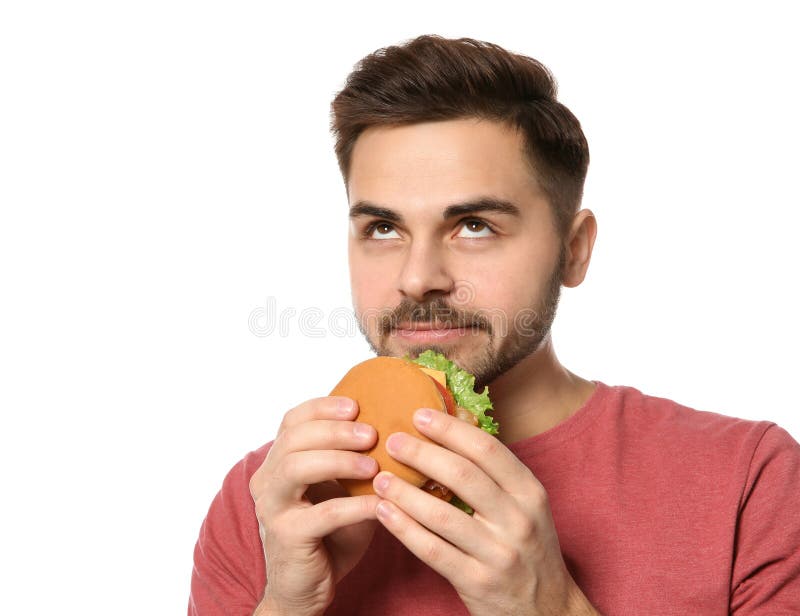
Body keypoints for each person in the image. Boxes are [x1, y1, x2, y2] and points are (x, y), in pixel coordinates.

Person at [189, 35, 800, 615]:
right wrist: (286, 606)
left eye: (474, 225)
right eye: (383, 228)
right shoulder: (270, 498)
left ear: (574, 250)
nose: (417, 278)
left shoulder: (749, 480)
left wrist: (552, 607)